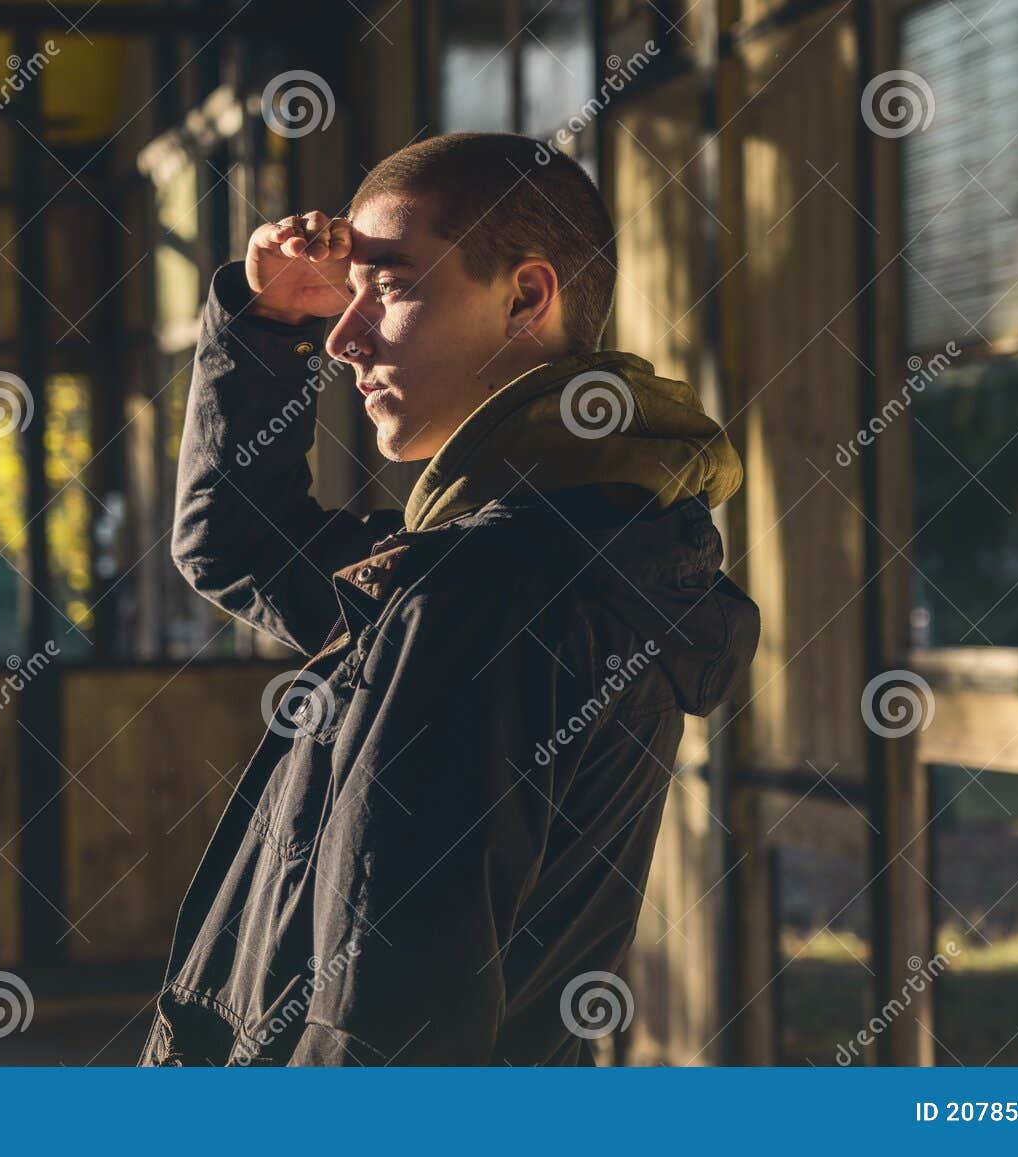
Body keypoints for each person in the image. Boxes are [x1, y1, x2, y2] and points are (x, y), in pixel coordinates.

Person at [139, 131, 759, 1066]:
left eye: (385, 286)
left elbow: (390, 1020)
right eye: (343, 305)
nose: (344, 341)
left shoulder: (482, 595)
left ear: (526, 296)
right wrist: (269, 327)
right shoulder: (540, 551)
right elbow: (239, 545)